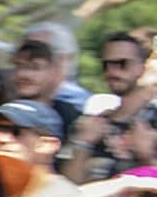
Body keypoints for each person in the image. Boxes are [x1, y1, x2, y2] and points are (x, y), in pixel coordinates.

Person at [66, 31, 154, 183]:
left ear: (141, 68)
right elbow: (68, 189)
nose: (112, 72)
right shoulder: (89, 124)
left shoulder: (152, 123)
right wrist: (83, 143)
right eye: (106, 65)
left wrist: (147, 157)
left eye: (122, 64)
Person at [5, 38, 83, 138]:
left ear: (54, 73)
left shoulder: (71, 119)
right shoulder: (1, 114)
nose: (23, 74)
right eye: (19, 66)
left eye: (35, 67)